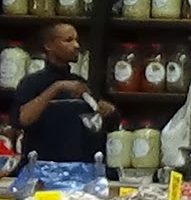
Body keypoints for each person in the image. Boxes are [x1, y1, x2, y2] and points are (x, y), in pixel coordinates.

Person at [11, 22, 114, 163]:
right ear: (49, 46)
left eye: (77, 40)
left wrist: (106, 110)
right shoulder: (31, 83)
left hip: (78, 169)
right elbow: (23, 119)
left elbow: (95, 121)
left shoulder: (80, 84)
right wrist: (56, 88)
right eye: (68, 40)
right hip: (42, 169)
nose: (76, 45)